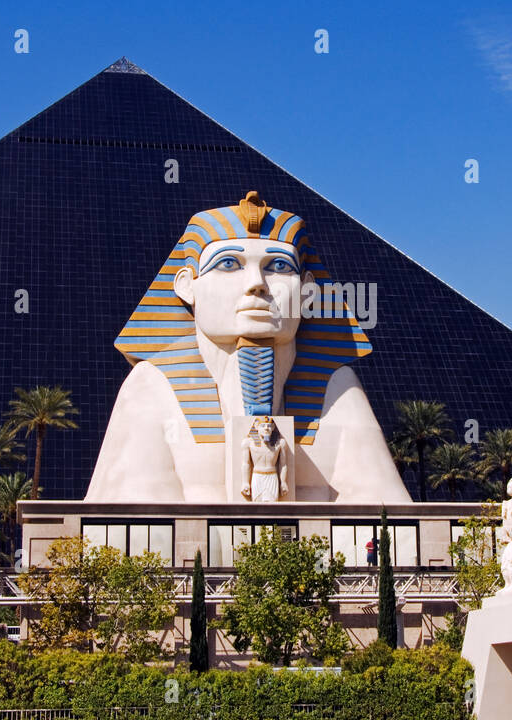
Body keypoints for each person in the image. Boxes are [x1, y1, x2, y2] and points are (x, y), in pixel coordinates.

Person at [87, 191, 410, 503]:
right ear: (186, 285)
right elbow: (132, 523)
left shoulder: (337, 389)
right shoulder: (151, 386)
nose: (257, 283)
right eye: (229, 264)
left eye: (279, 266)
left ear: (307, 291)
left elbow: (386, 520)